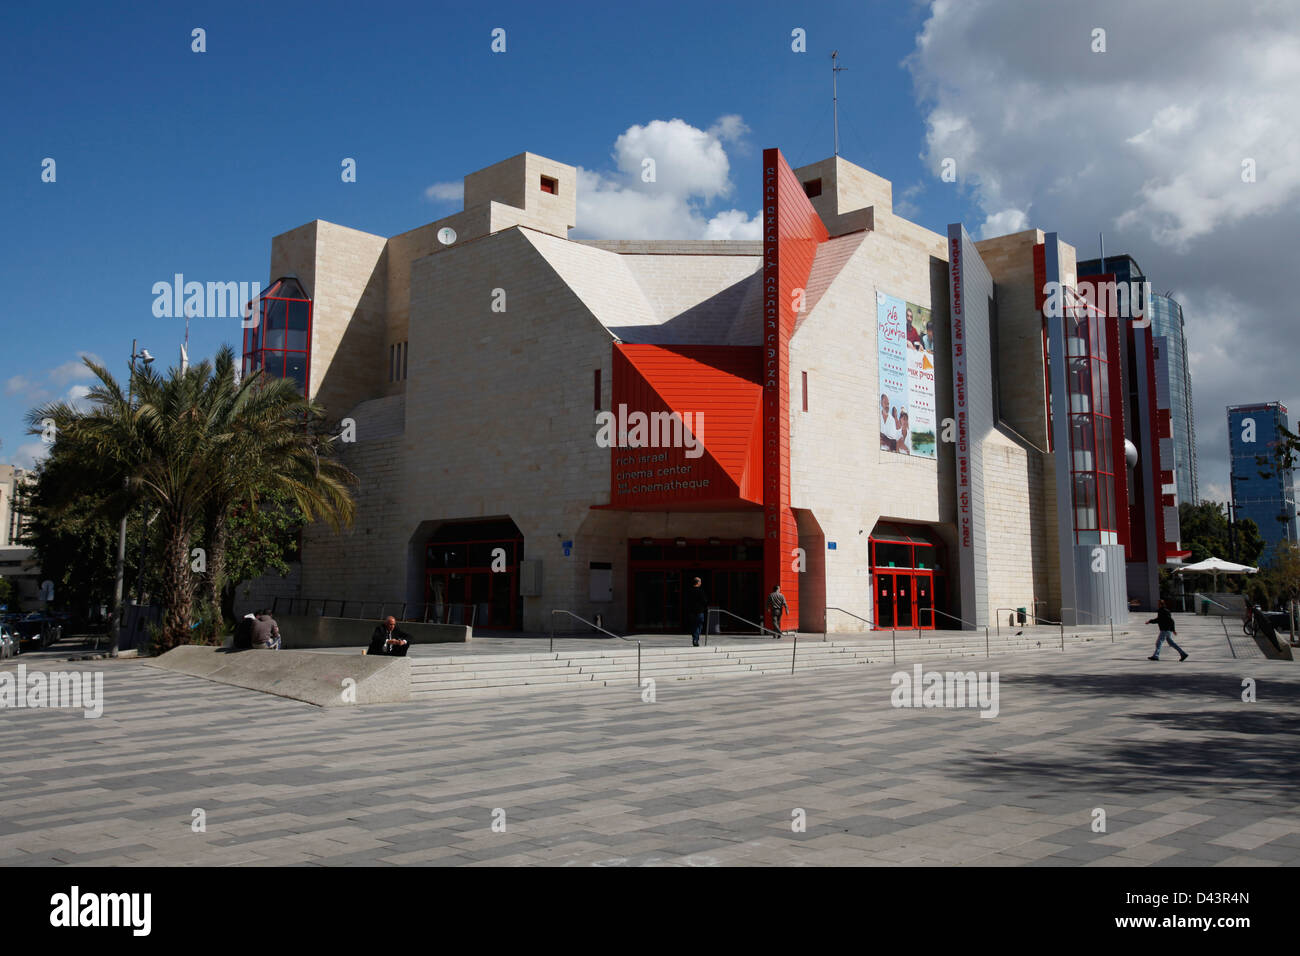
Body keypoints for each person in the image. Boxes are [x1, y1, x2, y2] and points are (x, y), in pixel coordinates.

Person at [685, 577, 708, 647]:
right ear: (698, 582)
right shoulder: (700, 591)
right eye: (700, 581)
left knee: (694, 626)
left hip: (691, 612)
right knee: (699, 626)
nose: (701, 583)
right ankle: (695, 639)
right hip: (699, 611)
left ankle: (695, 639)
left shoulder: (689, 591)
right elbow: (705, 601)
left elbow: (687, 601)